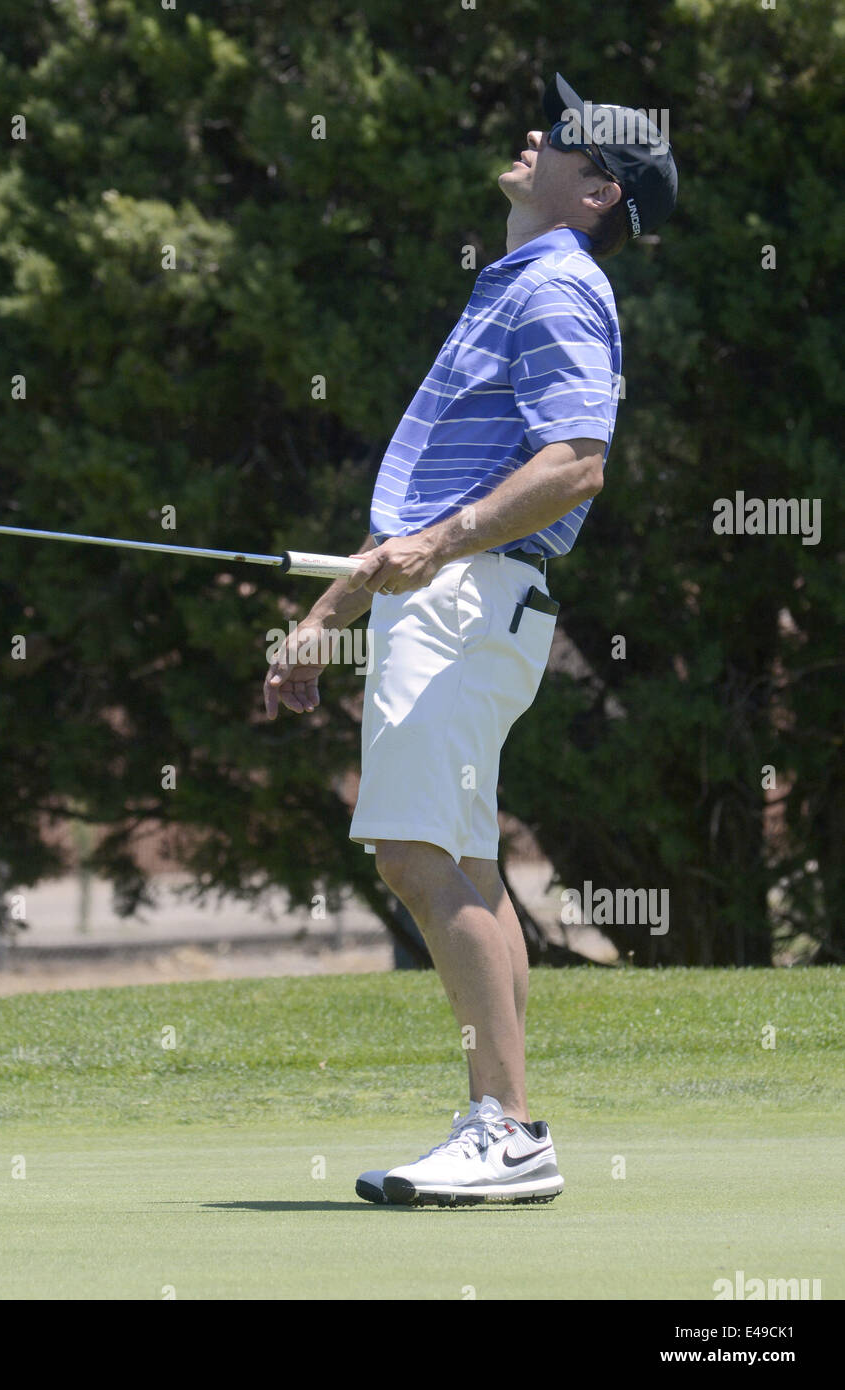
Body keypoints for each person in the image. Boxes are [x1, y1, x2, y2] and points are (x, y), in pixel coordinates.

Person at [263, 73, 677, 1207]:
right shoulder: (514, 284)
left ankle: (506, 1127)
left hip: (464, 598)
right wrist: (320, 624)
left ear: (596, 190)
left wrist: (435, 549)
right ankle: (507, 1126)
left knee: (414, 854)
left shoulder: (555, 291)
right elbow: (420, 519)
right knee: (460, 861)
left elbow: (572, 464)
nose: (536, 134)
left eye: (568, 139)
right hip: (458, 596)